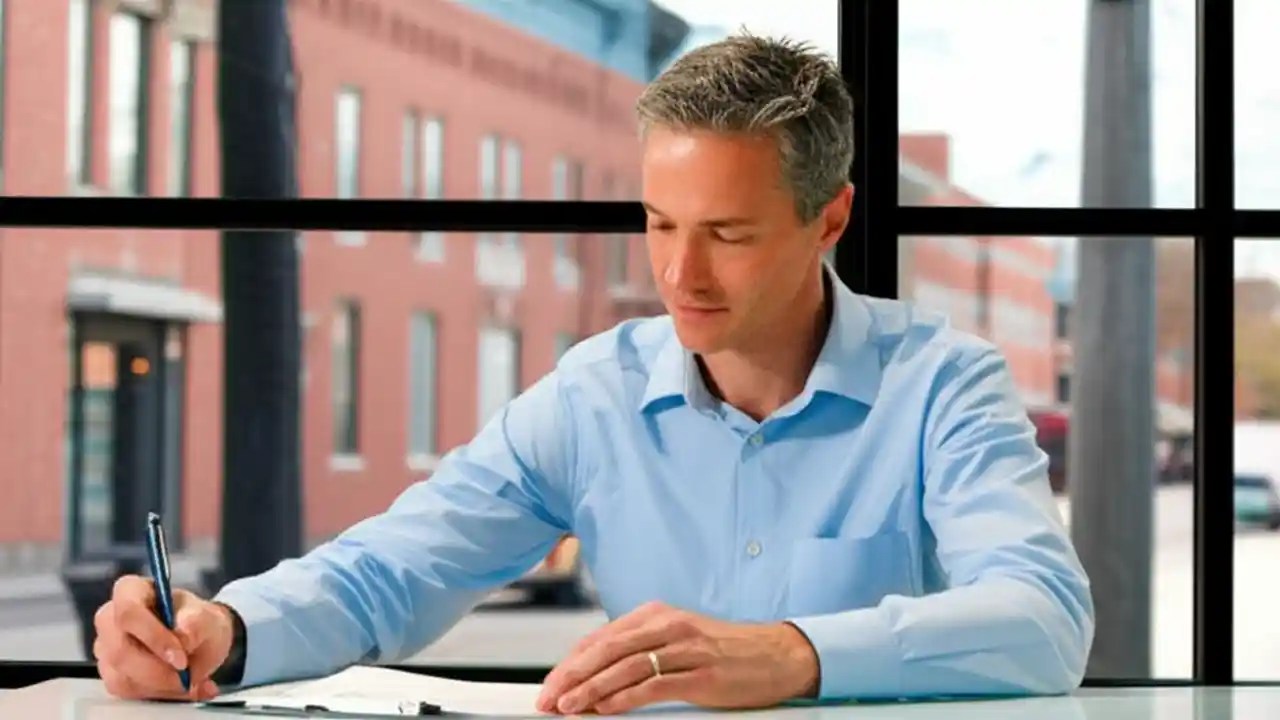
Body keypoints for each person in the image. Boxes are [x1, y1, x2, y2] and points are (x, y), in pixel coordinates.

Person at [92, 32, 1094, 714]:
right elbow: (390, 570)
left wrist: (790, 654)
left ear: (827, 219)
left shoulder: (942, 385)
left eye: (726, 234)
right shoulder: (593, 394)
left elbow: (1044, 622)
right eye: (658, 224)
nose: (676, 272)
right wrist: (222, 625)